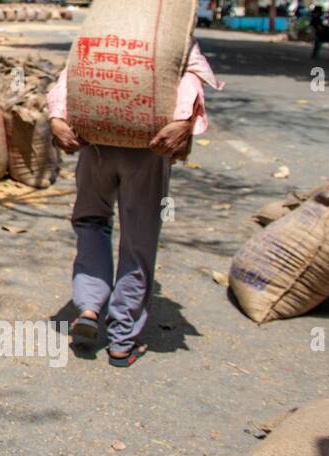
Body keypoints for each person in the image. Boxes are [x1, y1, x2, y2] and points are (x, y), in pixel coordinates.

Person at [47, 41, 221, 367]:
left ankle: (88, 306)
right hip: (147, 147)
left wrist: (57, 117)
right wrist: (184, 121)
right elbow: (191, 77)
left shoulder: (104, 30)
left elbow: (72, 74)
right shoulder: (170, 29)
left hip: (95, 143)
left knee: (91, 220)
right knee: (138, 237)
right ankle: (121, 340)